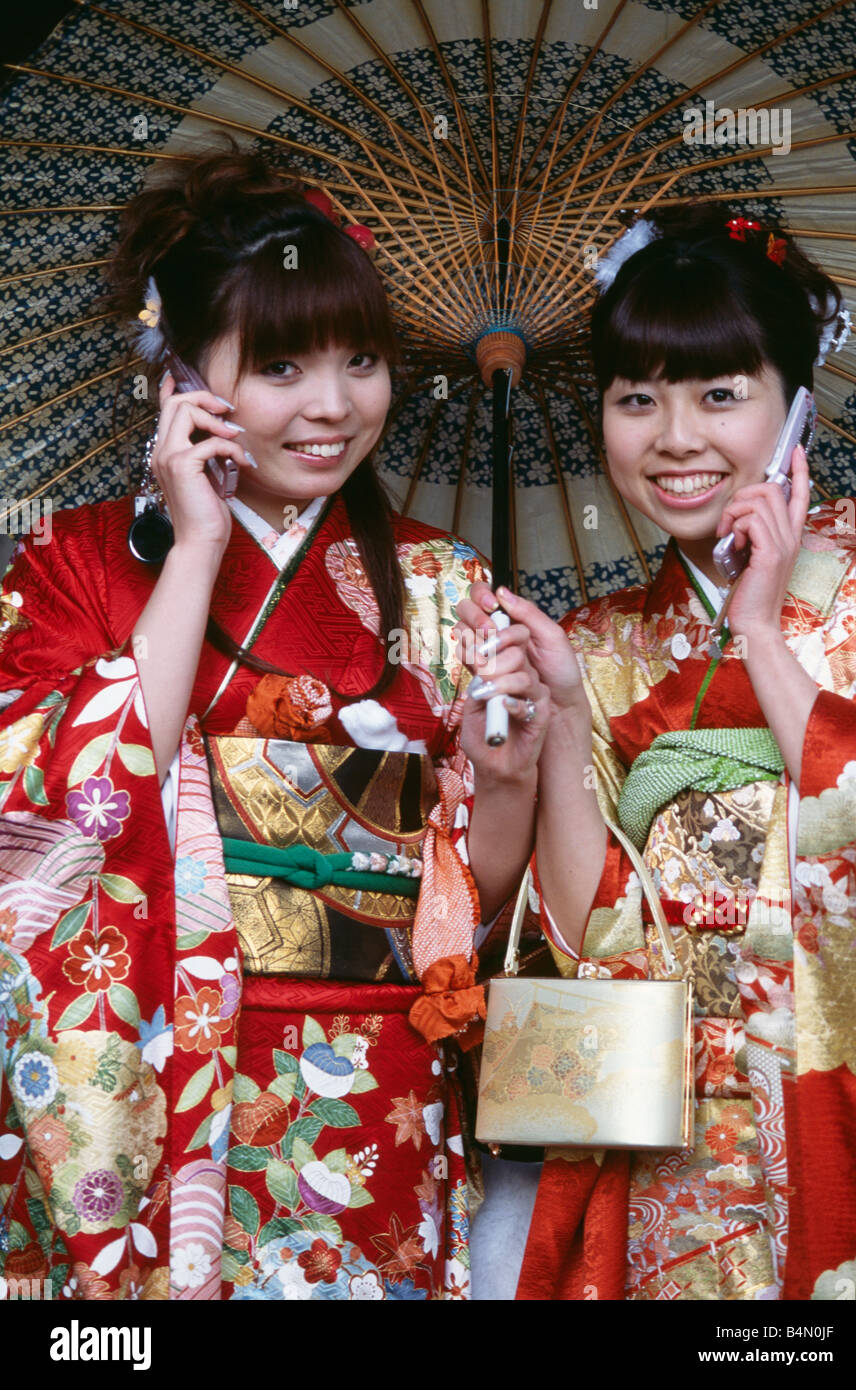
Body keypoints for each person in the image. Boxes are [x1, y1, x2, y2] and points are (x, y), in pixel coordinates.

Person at [0, 149, 548, 1301]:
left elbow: (469, 905)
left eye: (362, 359)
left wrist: (501, 784)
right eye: (283, 363)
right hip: (165, 1069)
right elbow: (75, 810)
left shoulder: (443, 586)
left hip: (379, 1082)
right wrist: (195, 546)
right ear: (183, 373)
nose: (334, 404)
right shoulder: (78, 564)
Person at [456, 202, 856, 1300]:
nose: (675, 436)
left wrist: (754, 629)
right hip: (675, 1135)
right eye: (635, 397)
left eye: (720, 394)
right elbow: (584, 931)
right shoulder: (597, 641)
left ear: (794, 414)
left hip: (845, 1087)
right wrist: (555, 722)